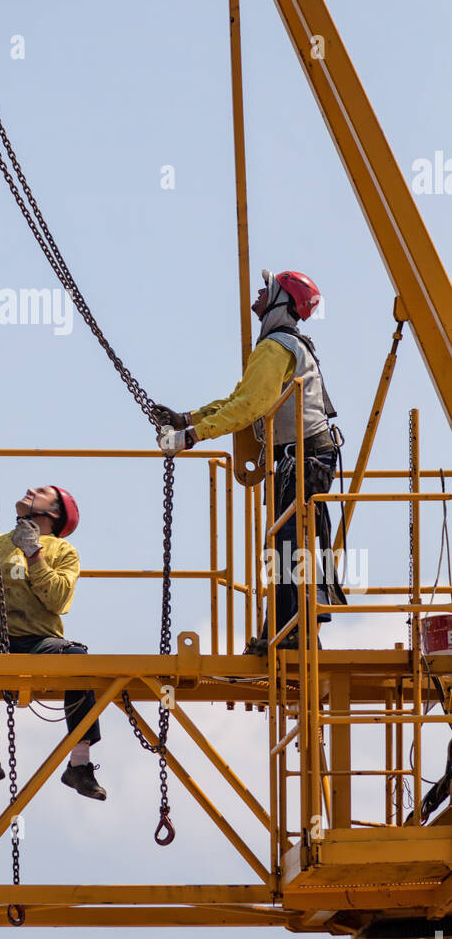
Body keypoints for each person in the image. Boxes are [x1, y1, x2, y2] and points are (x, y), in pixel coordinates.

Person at [154, 268, 345, 653]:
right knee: (284, 545)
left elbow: (250, 406)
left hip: (303, 458)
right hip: (303, 457)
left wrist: (190, 438)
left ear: (280, 301)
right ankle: (283, 629)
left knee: (292, 544)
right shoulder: (283, 346)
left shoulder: (276, 347)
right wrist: (187, 419)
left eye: (265, 290)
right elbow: (239, 399)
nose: (257, 295)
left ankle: (297, 633)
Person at [0, 484, 106, 800]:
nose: (31, 488)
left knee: (77, 660)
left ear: (55, 513)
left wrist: (35, 554)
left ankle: (80, 764)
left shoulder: (63, 551)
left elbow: (59, 599)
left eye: (44, 490)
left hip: (41, 641)